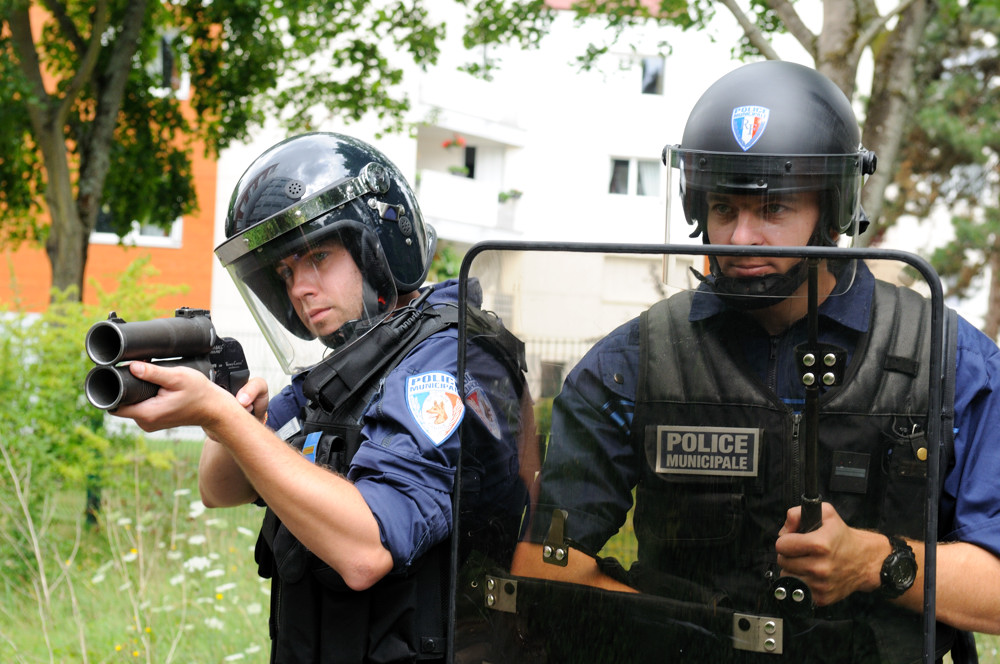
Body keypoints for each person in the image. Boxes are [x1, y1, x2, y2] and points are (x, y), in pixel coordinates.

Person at [509, 61, 1000, 663]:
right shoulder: (633, 364)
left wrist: (875, 563)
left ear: (834, 208)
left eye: (772, 210)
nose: (741, 237)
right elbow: (545, 564)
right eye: (724, 207)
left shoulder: (950, 363)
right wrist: (685, 636)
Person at [113, 132, 531, 663]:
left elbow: (366, 552)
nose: (298, 289)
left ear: (382, 242)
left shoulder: (446, 361)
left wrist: (221, 414)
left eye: (317, 257)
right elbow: (220, 489)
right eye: (286, 273)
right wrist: (228, 415)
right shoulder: (353, 363)